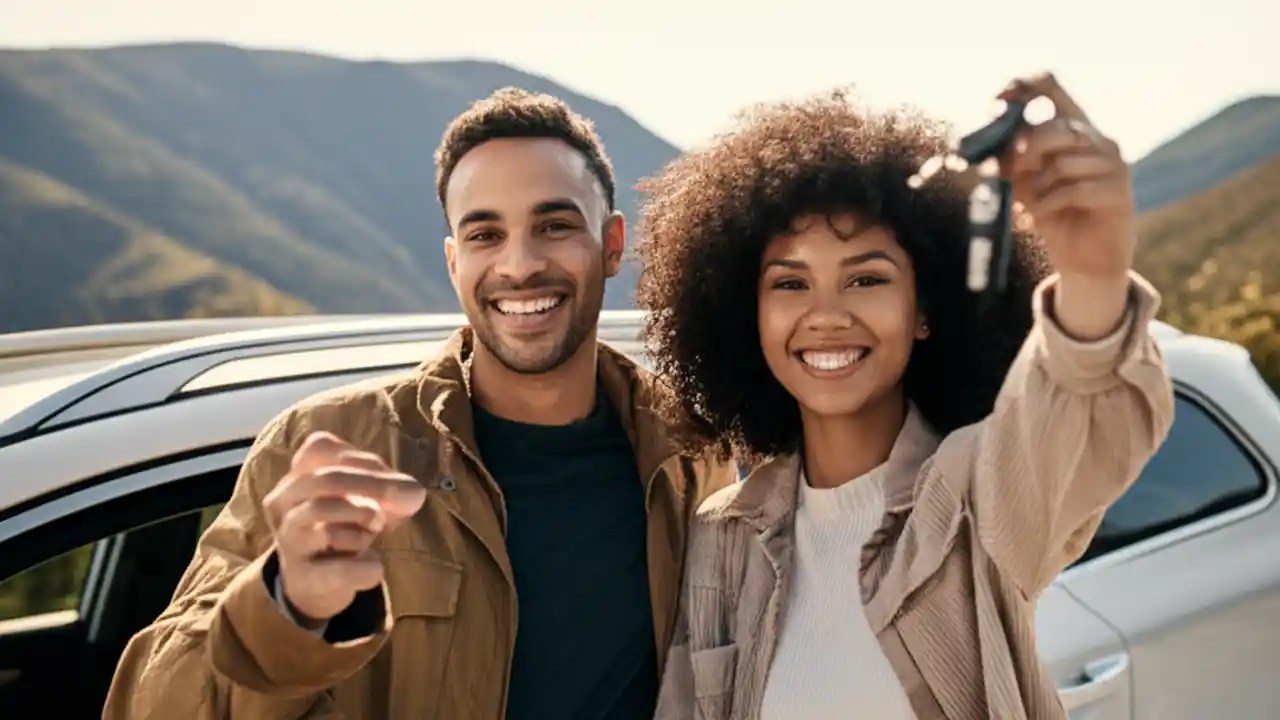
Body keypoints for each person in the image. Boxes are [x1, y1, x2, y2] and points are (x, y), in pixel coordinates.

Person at [103, 87, 735, 720]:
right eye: (485, 234)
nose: (520, 265)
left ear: (612, 244)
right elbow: (152, 708)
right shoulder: (328, 444)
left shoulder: (693, 451)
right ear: (454, 262)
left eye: (555, 226)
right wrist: (287, 608)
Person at [635, 74, 1175, 719]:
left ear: (924, 309)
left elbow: (1080, 401)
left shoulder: (975, 493)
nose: (826, 316)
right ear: (747, 315)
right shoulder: (722, 536)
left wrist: (1093, 277)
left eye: (866, 279)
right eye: (790, 284)